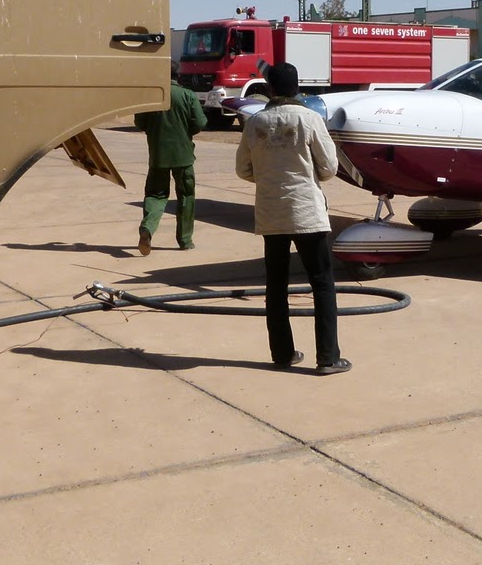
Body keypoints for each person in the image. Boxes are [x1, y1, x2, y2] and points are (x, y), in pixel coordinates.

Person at [234, 62, 350, 375]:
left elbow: (243, 169)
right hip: (306, 212)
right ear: (297, 88)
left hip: (271, 213)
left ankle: (282, 353)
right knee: (322, 283)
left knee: (275, 285)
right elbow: (329, 167)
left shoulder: (255, 122)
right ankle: (328, 357)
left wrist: (268, 180)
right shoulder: (310, 119)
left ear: (270, 89)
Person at [134, 80, 206, 254]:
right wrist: (185, 130)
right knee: (186, 196)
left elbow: (140, 122)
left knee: (155, 194)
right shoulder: (187, 95)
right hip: (183, 155)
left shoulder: (150, 95)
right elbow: (200, 122)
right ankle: (185, 240)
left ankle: (147, 229)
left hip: (158, 155)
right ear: (178, 75)